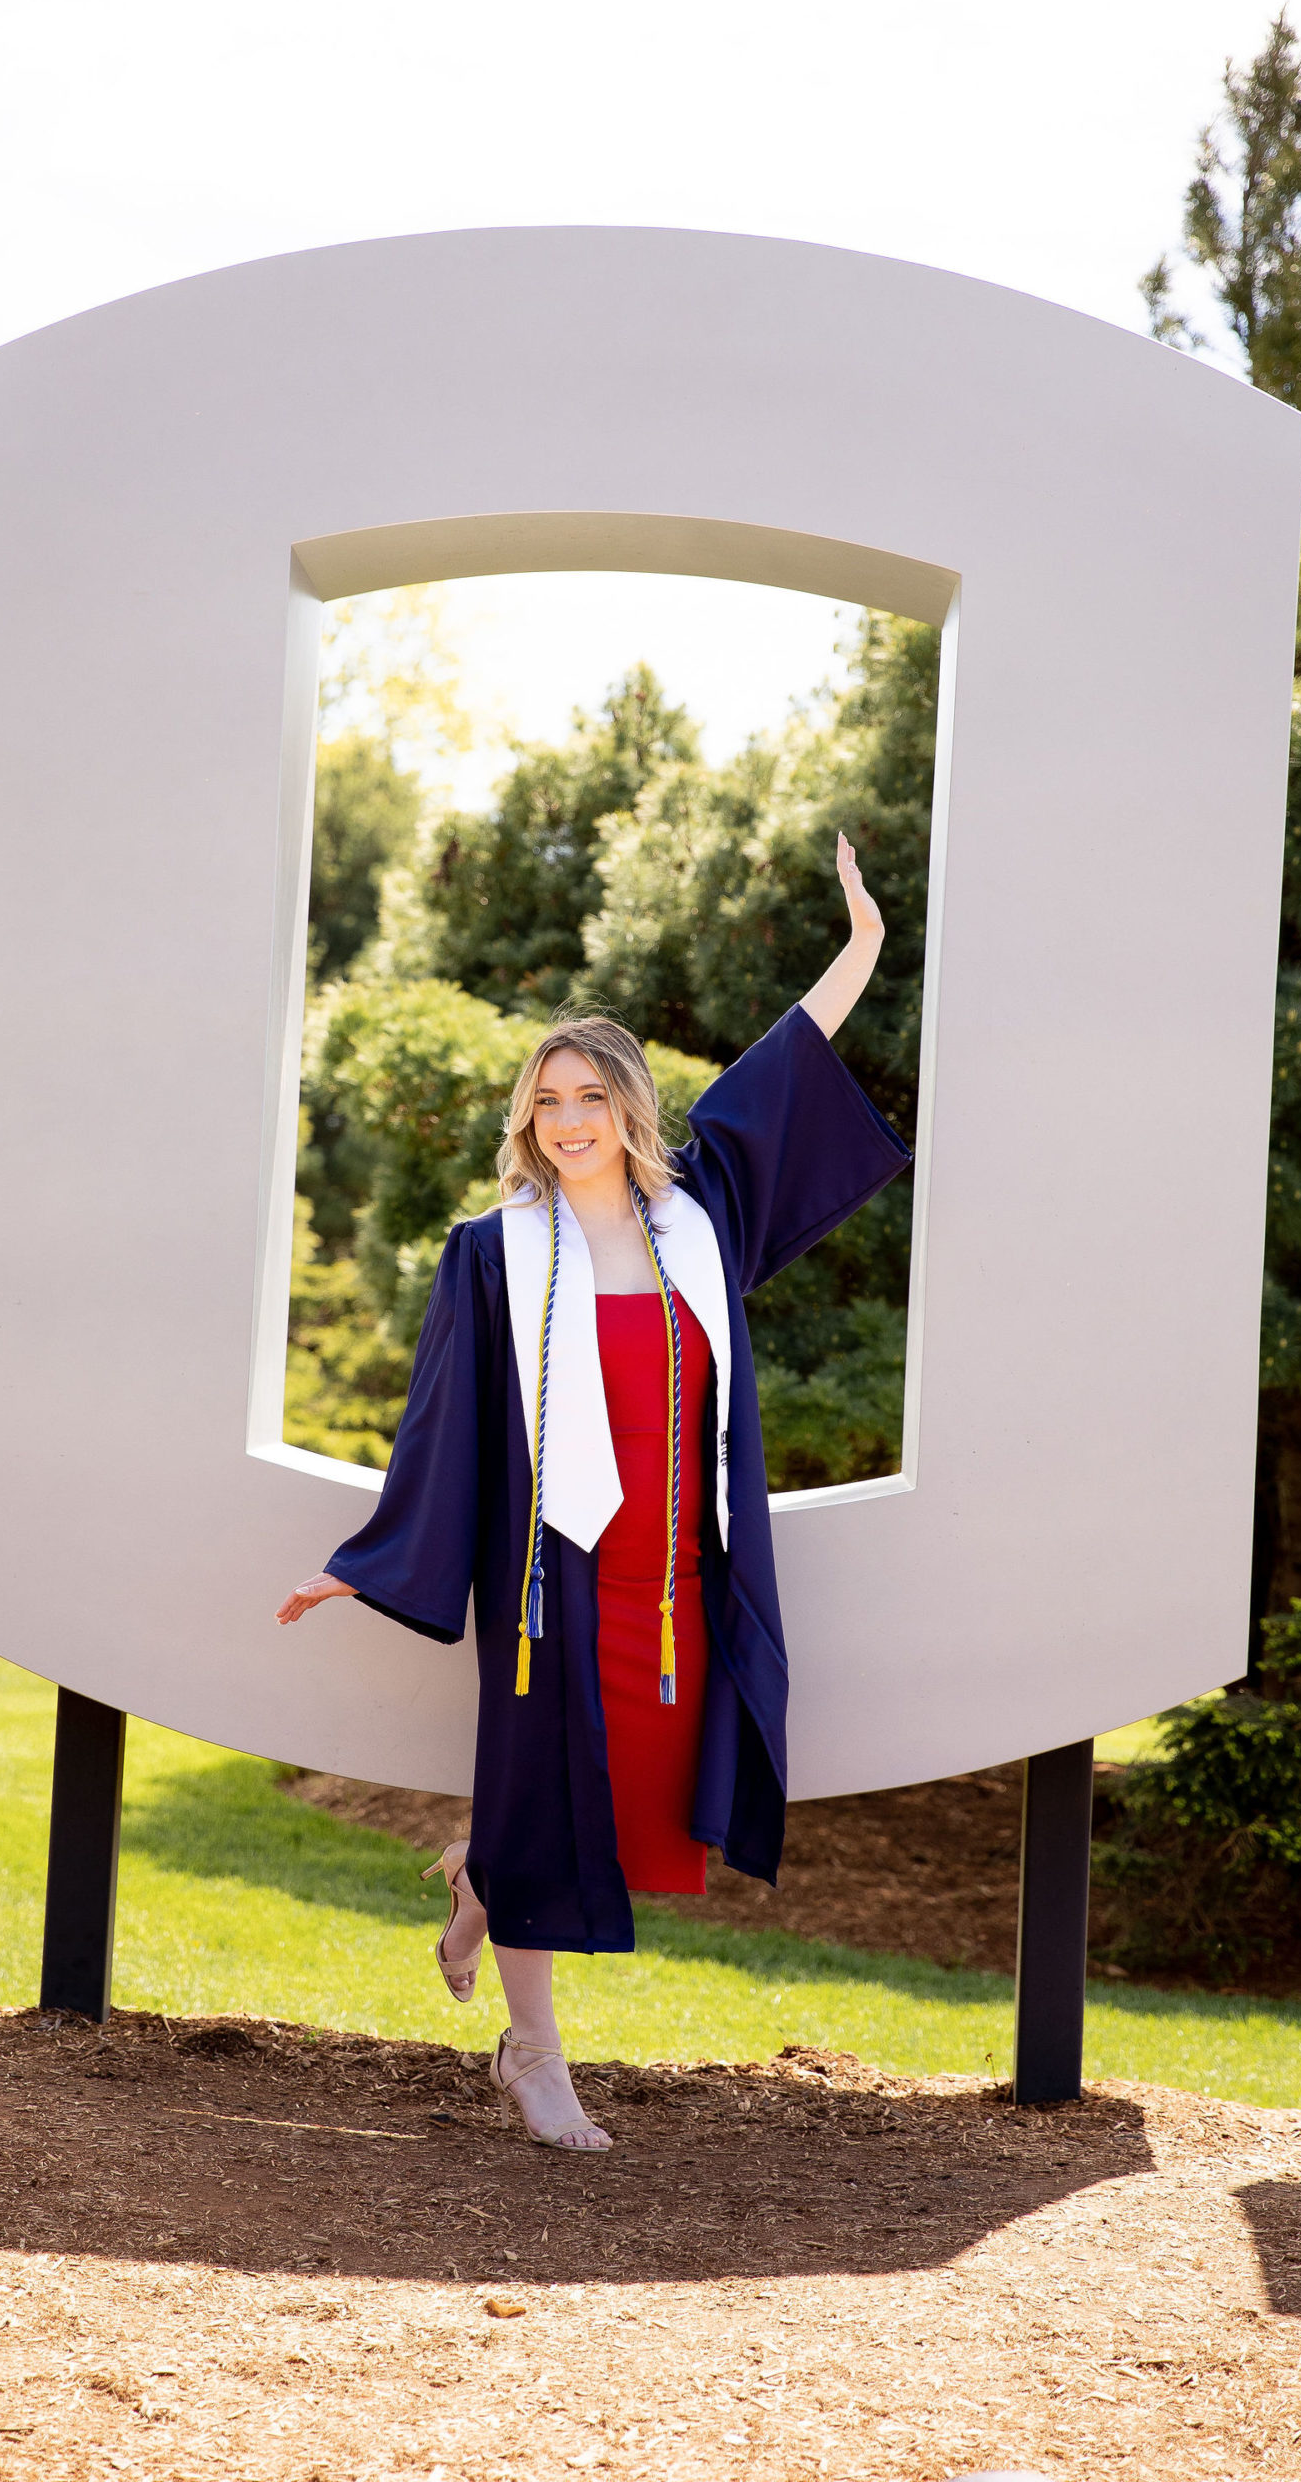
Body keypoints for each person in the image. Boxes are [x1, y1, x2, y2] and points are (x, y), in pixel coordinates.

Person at [277, 835, 909, 2150]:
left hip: (679, 1576)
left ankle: (479, 1874)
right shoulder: (494, 1253)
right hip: (552, 1580)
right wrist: (370, 1557)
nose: (567, 1120)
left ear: (629, 1109)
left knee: (635, 1800)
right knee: (549, 1797)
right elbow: (443, 1421)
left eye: (589, 1098)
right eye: (546, 1101)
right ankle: (536, 2056)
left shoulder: (703, 1213)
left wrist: (861, 947)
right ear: (530, 1119)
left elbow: (785, 1065)